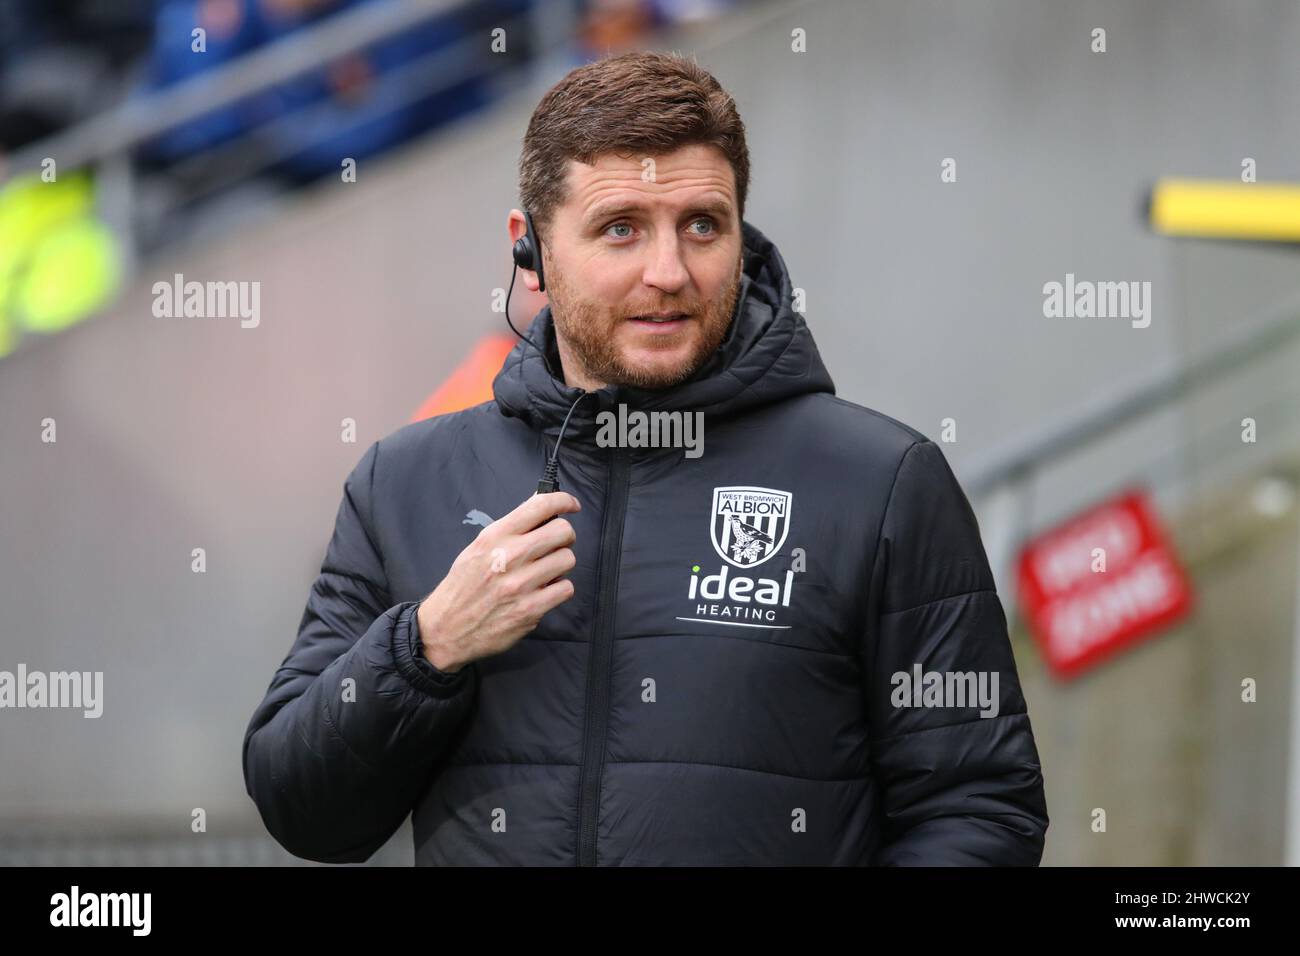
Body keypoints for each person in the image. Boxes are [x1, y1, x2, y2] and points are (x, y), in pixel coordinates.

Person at [242, 50, 1049, 866]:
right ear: (531, 249)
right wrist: (427, 646)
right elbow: (301, 808)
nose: (668, 273)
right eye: (620, 228)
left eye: (703, 225)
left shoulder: (881, 483)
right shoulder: (405, 481)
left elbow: (980, 812)